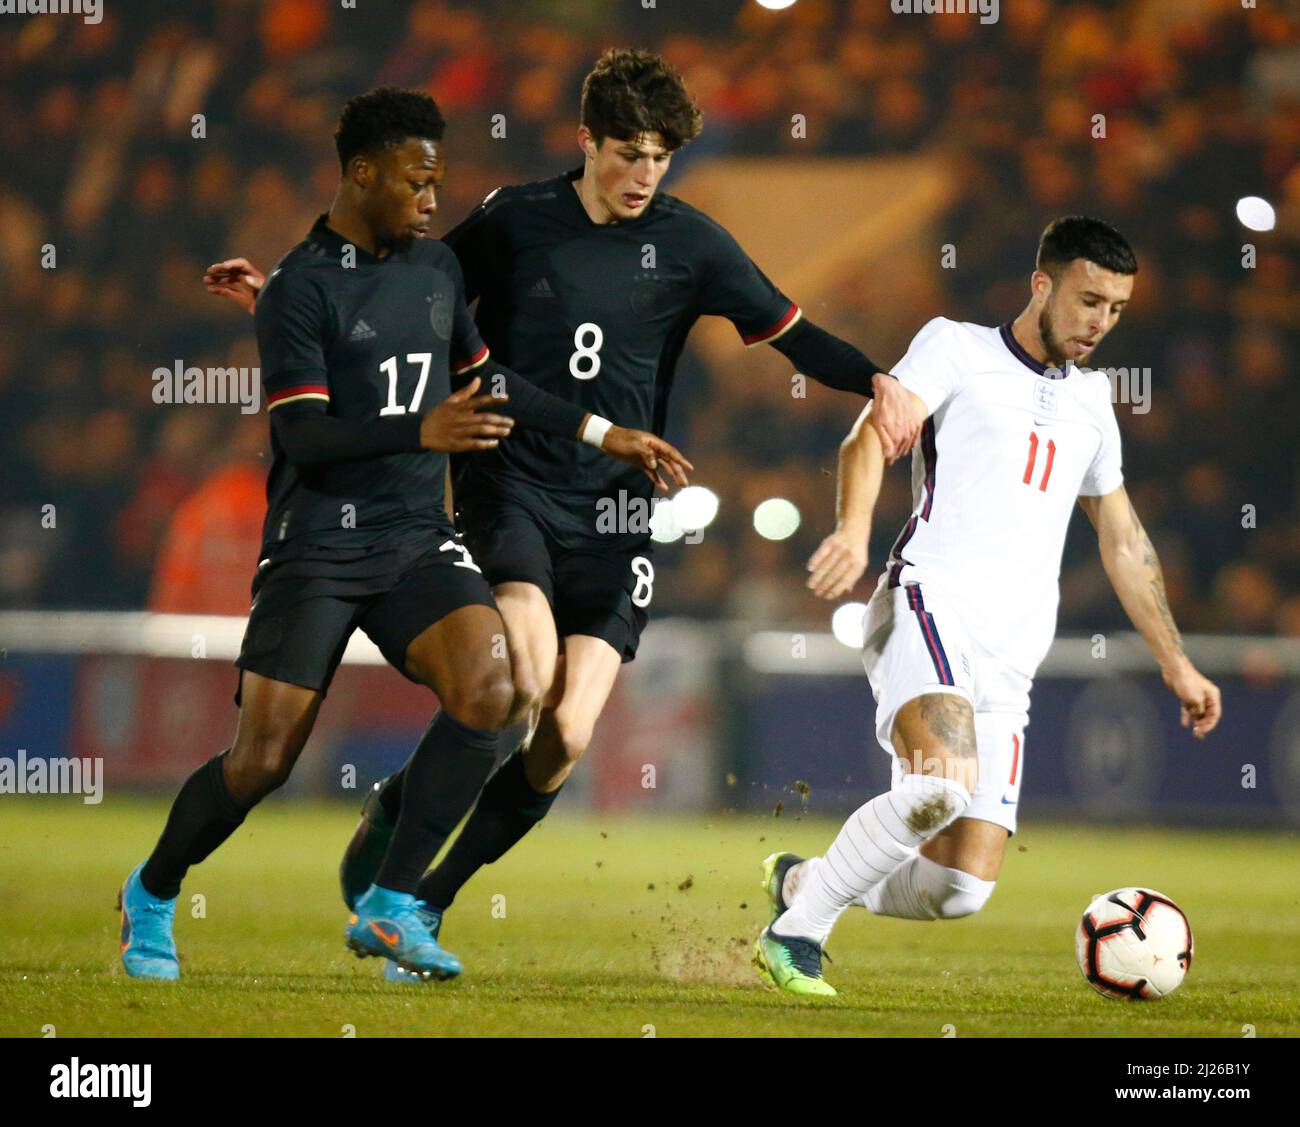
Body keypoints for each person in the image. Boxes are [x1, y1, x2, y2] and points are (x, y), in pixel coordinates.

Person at [205, 48, 920, 981]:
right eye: (628, 153)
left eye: (661, 158)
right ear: (586, 140)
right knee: (526, 674)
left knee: (565, 737)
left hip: (621, 519)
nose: (644, 175)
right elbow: (403, 281)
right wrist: (288, 294)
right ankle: (400, 869)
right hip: (515, 490)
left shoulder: (692, 244)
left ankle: (421, 888)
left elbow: (793, 335)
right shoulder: (513, 220)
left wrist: (876, 375)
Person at [119, 87, 689, 982]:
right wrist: (422, 431)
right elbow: (304, 436)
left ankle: (389, 904)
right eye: (418, 182)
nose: (433, 200)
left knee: (494, 687)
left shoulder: (434, 271)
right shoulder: (299, 287)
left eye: (439, 181)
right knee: (262, 760)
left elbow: (488, 378)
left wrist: (600, 431)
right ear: (362, 173)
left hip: (418, 534)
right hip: (318, 544)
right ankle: (151, 891)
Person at [755, 216, 1223, 995]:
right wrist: (851, 527)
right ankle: (796, 934)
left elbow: (1123, 537)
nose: (1099, 321)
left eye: (1115, 308)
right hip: (930, 602)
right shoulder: (957, 348)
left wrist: (1176, 661)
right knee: (938, 785)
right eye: (1087, 299)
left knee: (958, 890)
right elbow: (870, 436)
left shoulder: (1094, 401)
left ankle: (808, 883)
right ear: (1042, 284)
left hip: (1013, 654)